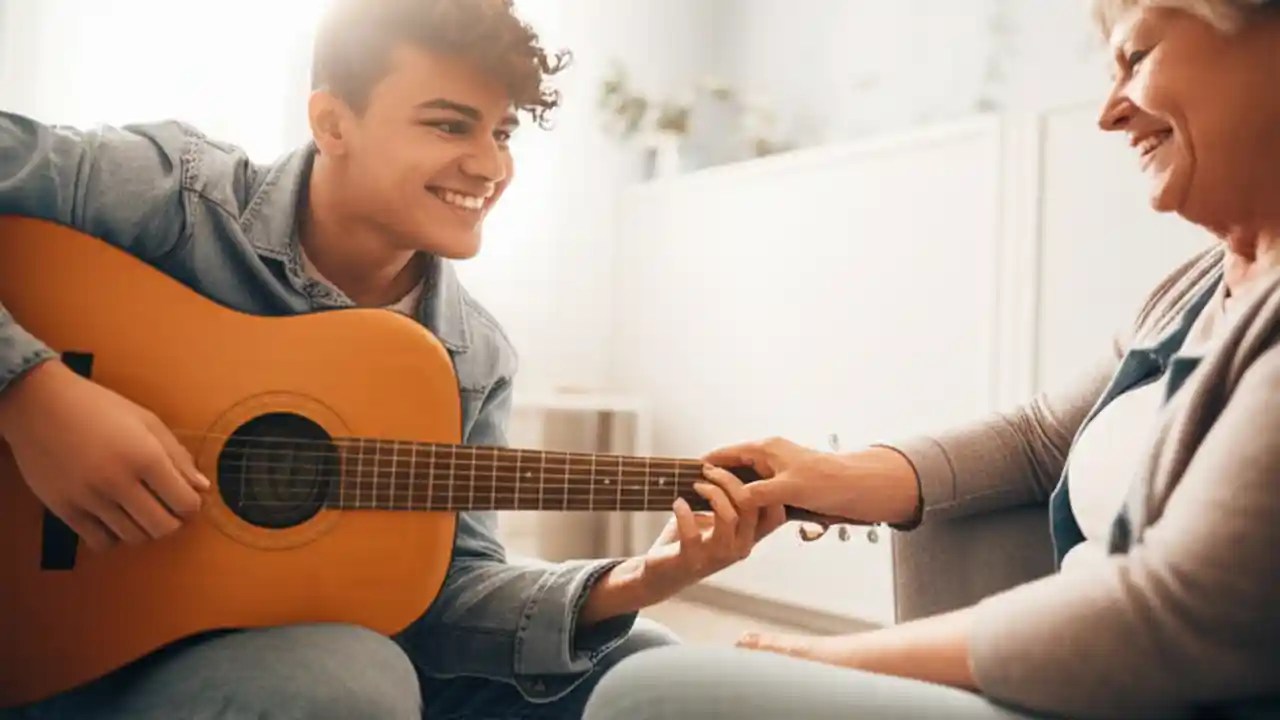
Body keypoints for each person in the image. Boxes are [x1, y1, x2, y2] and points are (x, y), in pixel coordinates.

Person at [0, 1, 787, 718]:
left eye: (502, 132)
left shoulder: (471, 357)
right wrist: (33, 394)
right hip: (66, 642)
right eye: (450, 125)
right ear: (333, 122)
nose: (490, 165)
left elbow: (448, 595)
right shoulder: (172, 198)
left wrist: (644, 580)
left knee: (648, 674)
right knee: (354, 682)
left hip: (250, 645)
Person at [583, 1, 1280, 719]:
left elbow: (1175, 615)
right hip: (1057, 689)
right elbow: (1040, 440)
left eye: (1136, 59)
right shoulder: (1194, 290)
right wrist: (832, 475)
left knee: (648, 693)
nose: (1108, 113)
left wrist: (834, 658)